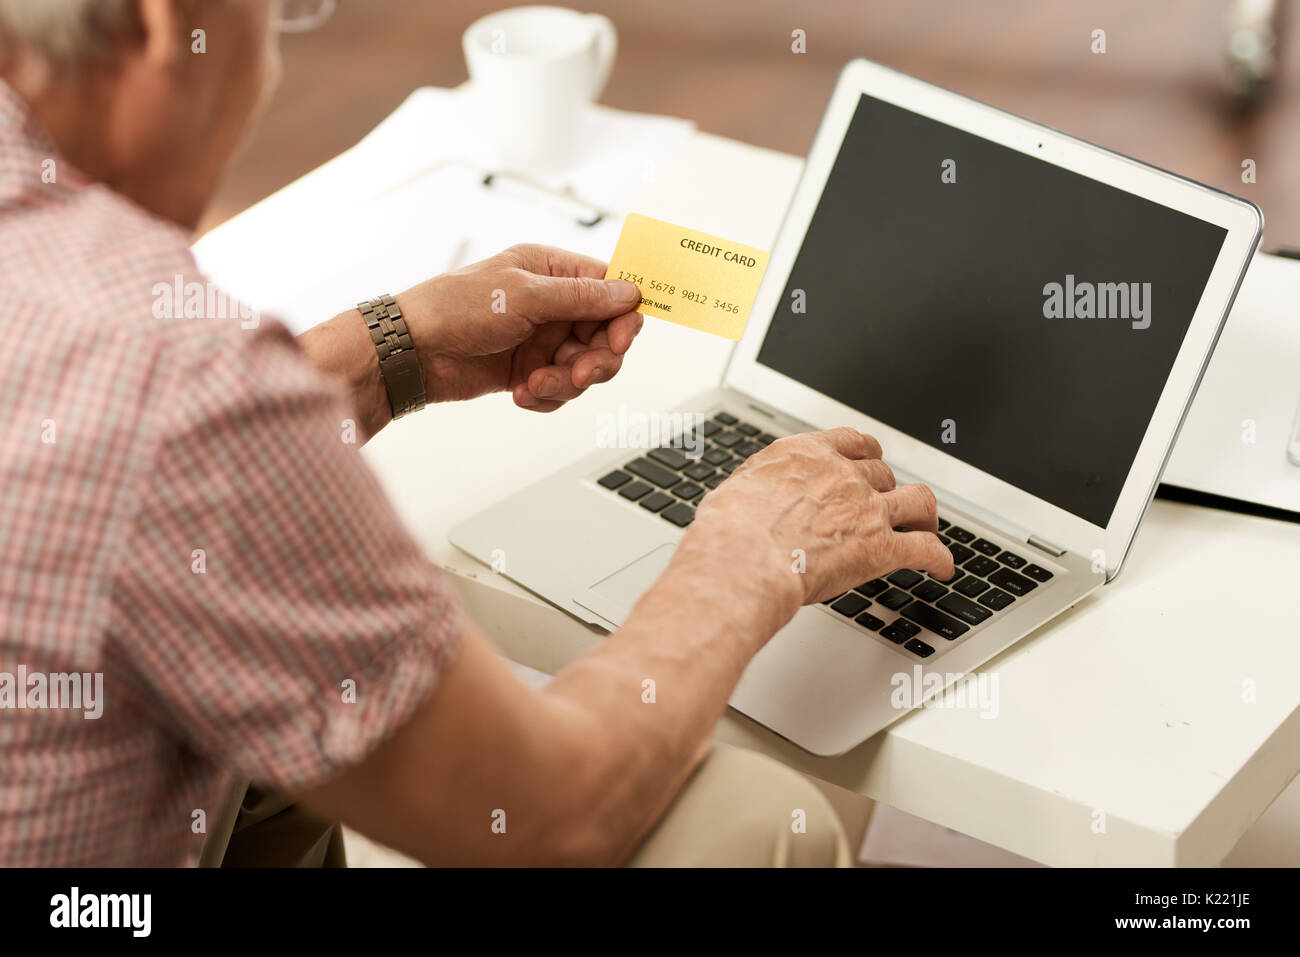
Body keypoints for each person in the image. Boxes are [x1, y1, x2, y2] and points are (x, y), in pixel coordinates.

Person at [0, 0, 951, 867]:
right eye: (279, 15)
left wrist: (385, 351)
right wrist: (749, 555)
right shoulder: (169, 378)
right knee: (750, 818)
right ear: (168, 23)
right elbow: (549, 810)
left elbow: (109, 460)